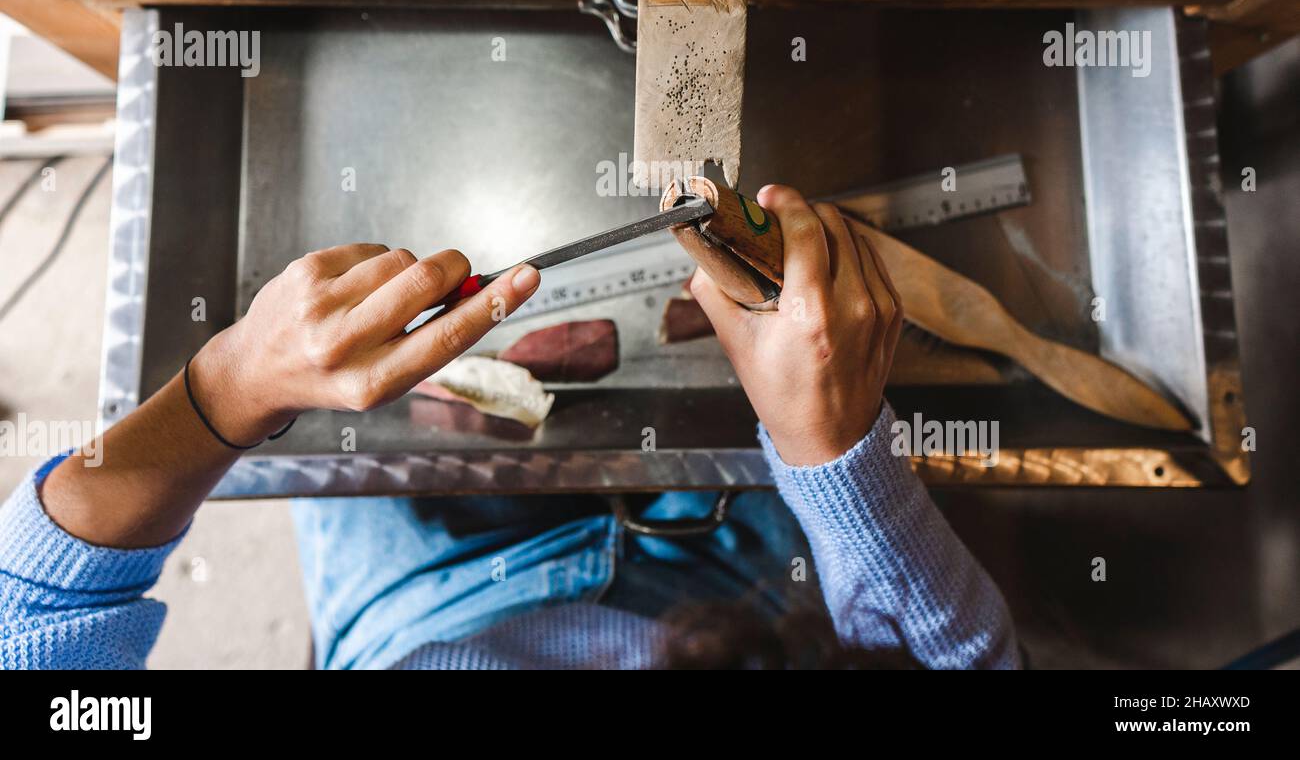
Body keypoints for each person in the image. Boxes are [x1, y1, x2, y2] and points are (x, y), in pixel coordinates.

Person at [0, 186, 1019, 670]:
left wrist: (226, 388)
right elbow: (966, 666)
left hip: (414, 597)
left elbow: (28, 612)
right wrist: (831, 454)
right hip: (743, 599)